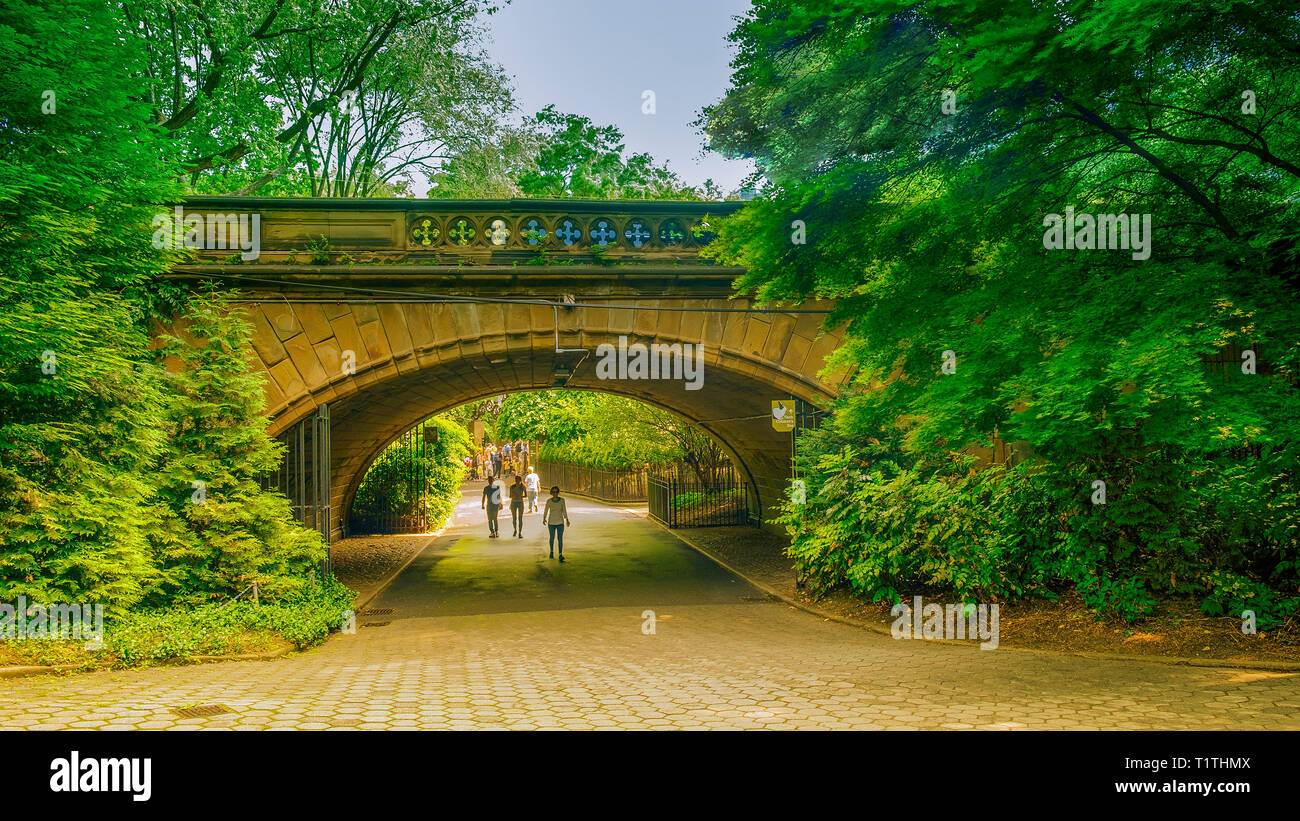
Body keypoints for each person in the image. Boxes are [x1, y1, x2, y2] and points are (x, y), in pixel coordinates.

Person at [542, 485, 571, 562]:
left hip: (560, 522)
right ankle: (551, 552)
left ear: (558, 493)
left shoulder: (562, 500)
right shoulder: (549, 501)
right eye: (553, 492)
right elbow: (546, 510)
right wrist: (544, 518)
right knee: (552, 538)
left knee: (560, 539)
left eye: (556, 492)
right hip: (551, 522)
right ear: (551, 493)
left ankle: (560, 554)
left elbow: (564, 510)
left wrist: (567, 519)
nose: (555, 493)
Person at [508, 473, 526, 538]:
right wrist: (517, 495)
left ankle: (519, 532)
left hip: (519, 502)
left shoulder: (522, 487)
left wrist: (519, 496)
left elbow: (525, 495)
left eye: (518, 480)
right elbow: (510, 496)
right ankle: (515, 530)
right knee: (514, 518)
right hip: (515, 502)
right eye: (517, 480)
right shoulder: (513, 487)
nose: (517, 481)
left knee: (520, 518)